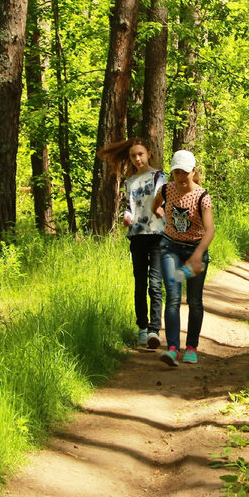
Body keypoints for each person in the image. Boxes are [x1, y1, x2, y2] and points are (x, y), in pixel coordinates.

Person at [97, 138, 165, 349]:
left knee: (155, 284)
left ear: (149, 154)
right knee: (139, 284)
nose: (137, 158)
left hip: (157, 235)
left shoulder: (158, 176)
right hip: (136, 236)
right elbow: (130, 206)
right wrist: (126, 216)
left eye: (141, 154)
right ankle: (142, 329)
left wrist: (158, 209)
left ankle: (154, 330)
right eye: (134, 155)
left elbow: (161, 198)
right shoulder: (129, 181)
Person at [150, 149, 215, 367]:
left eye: (184, 172)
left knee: (194, 300)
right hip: (170, 248)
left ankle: (191, 347)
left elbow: (210, 230)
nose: (180, 177)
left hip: (196, 250)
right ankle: (172, 349)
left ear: (193, 172)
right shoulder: (167, 190)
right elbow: (155, 204)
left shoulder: (202, 197)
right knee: (174, 297)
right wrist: (158, 211)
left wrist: (198, 255)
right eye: (176, 172)